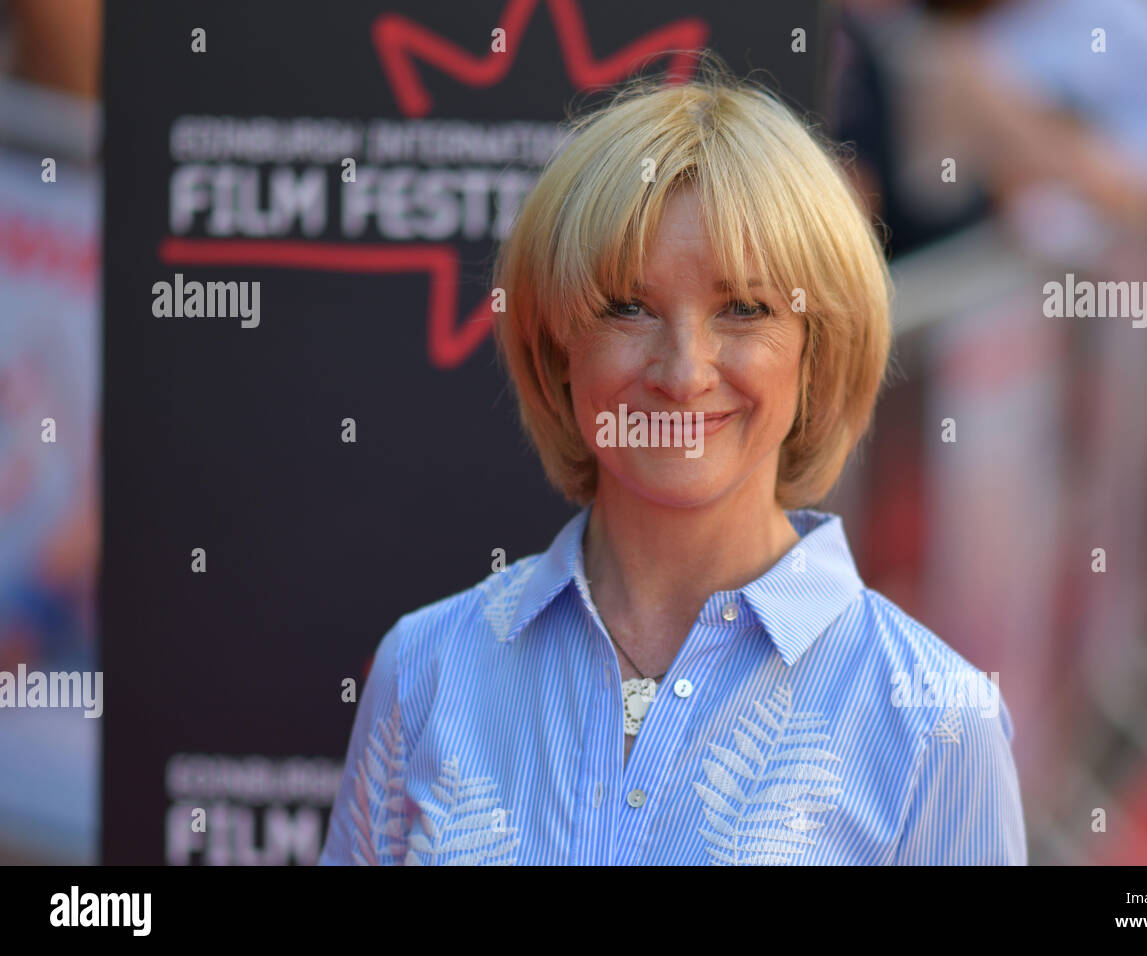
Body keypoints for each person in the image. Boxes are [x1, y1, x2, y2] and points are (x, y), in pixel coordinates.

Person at [319, 58, 1027, 865]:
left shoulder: (936, 723)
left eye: (744, 309)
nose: (684, 371)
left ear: (817, 353)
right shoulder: (426, 669)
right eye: (629, 307)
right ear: (557, 347)